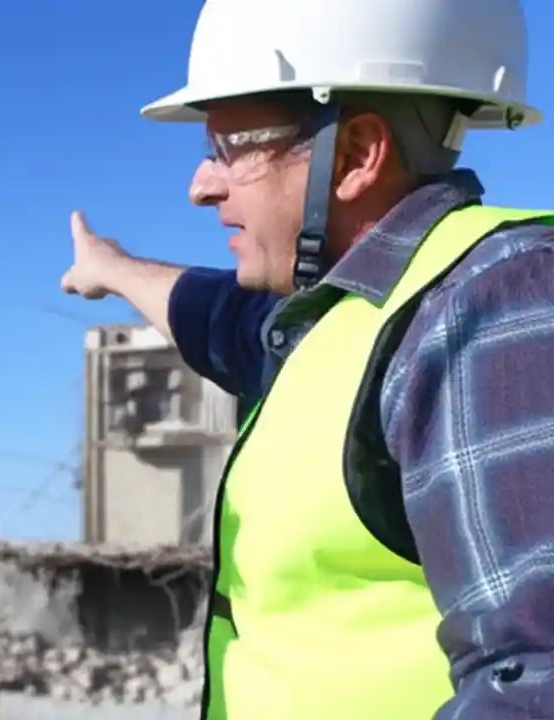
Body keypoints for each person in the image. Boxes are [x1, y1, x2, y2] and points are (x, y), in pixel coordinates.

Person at [61, 0, 554, 718]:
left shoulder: (492, 303)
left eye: (230, 148)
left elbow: (534, 680)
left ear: (355, 155)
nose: (201, 186)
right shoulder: (343, 321)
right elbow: (218, 319)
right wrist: (114, 267)